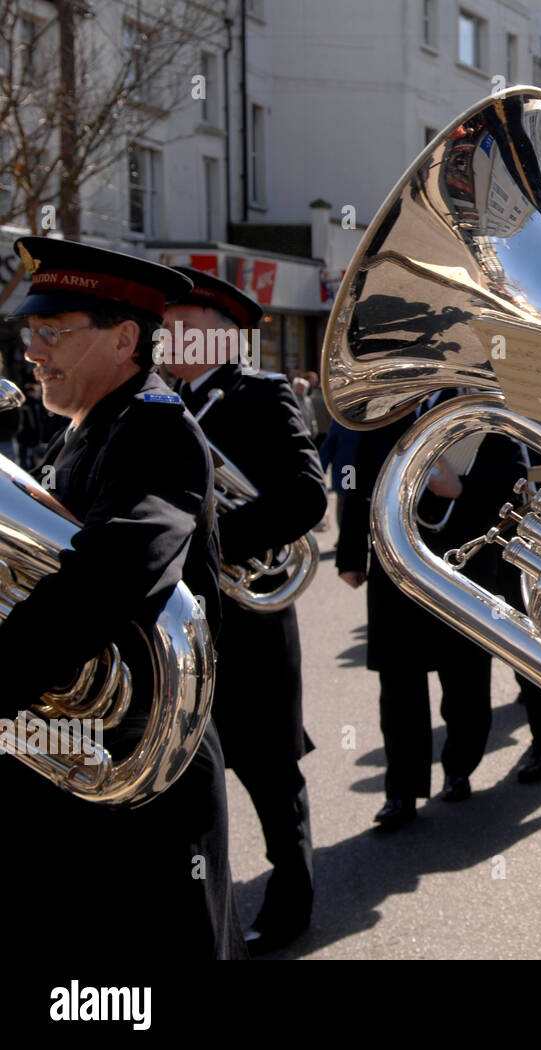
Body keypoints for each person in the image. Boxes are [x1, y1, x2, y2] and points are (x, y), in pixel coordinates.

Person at [0, 236, 243, 959]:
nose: (33, 351)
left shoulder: (156, 432)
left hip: (141, 770)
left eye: (53, 333)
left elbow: (121, 565)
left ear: (126, 338)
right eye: (28, 332)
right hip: (78, 756)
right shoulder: (84, 431)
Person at [165, 266, 327, 956]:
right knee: (188, 778)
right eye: (166, 326)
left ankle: (291, 901)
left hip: (250, 623)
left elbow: (306, 498)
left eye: (184, 327)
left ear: (226, 339)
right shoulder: (157, 401)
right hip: (180, 628)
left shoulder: (259, 394)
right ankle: (204, 910)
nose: (168, 337)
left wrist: (205, 541)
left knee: (270, 774)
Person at [336, 394, 525, 827]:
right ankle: (402, 790)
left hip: (461, 567)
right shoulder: (388, 409)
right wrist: (350, 554)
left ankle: (460, 768)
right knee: (398, 685)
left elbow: (514, 480)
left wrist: (463, 490)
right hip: (395, 566)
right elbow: (359, 483)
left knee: (464, 679)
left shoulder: (479, 406)